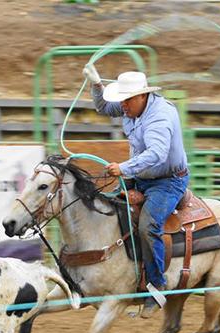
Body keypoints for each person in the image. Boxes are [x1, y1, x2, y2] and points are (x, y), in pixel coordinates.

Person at [82, 64, 190, 318]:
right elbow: (104, 107)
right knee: (107, 209)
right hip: (139, 176)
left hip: (167, 181)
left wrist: (123, 168)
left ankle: (156, 285)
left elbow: (157, 153)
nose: (123, 106)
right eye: (122, 100)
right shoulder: (132, 106)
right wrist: (96, 85)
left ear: (142, 96)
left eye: (127, 100)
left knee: (148, 225)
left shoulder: (160, 117)